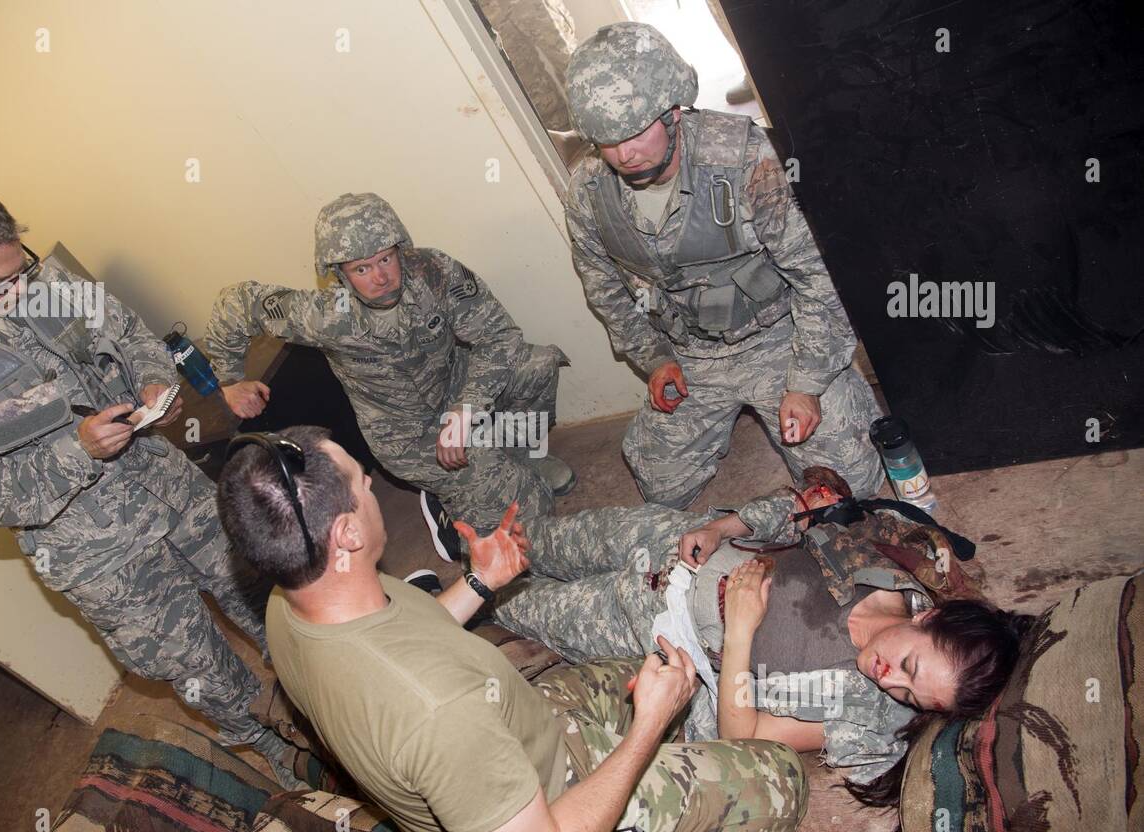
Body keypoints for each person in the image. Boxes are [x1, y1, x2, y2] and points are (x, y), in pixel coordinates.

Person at [215, 425, 808, 832]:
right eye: (359, 480)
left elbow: (413, 634)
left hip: (517, 728)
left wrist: (479, 584)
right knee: (782, 780)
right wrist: (646, 728)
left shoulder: (295, 599)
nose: (371, 482)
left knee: (640, 666)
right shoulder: (435, 714)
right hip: (546, 817)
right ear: (346, 533)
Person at [0, 185, 299, 786]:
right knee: (197, 664)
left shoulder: (48, 280)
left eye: (21, 268)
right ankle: (273, 748)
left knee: (266, 599)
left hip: (170, 487)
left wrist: (155, 386)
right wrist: (77, 451)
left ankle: (317, 704)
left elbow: (135, 338)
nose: (20, 290)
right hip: (98, 554)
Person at [486, 467, 1025, 786]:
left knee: (512, 600)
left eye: (913, 698)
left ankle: (452, 593)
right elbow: (803, 515)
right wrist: (722, 525)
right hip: (679, 542)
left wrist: (741, 631)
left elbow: (741, 734)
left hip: (656, 622)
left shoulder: (865, 712)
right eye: (909, 666)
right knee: (538, 539)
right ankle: (472, 531)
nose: (890, 681)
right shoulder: (886, 564)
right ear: (926, 615)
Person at [563, 22, 884, 509]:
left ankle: (838, 397)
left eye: (634, 132)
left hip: (780, 338)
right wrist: (654, 359)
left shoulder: (745, 159)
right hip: (693, 354)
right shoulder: (589, 192)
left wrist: (807, 383)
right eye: (606, 140)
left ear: (673, 111)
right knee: (658, 484)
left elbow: (819, 279)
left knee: (849, 487)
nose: (624, 153)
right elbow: (605, 292)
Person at [205, 192, 573, 564]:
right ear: (340, 274)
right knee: (524, 510)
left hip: (454, 388)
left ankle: (521, 453)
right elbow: (234, 304)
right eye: (361, 269)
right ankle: (450, 497)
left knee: (535, 364)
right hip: (406, 436)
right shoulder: (325, 315)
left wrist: (464, 410)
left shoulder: (434, 272)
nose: (381, 277)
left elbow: (499, 337)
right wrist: (230, 379)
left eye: (386, 259)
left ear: (401, 249)